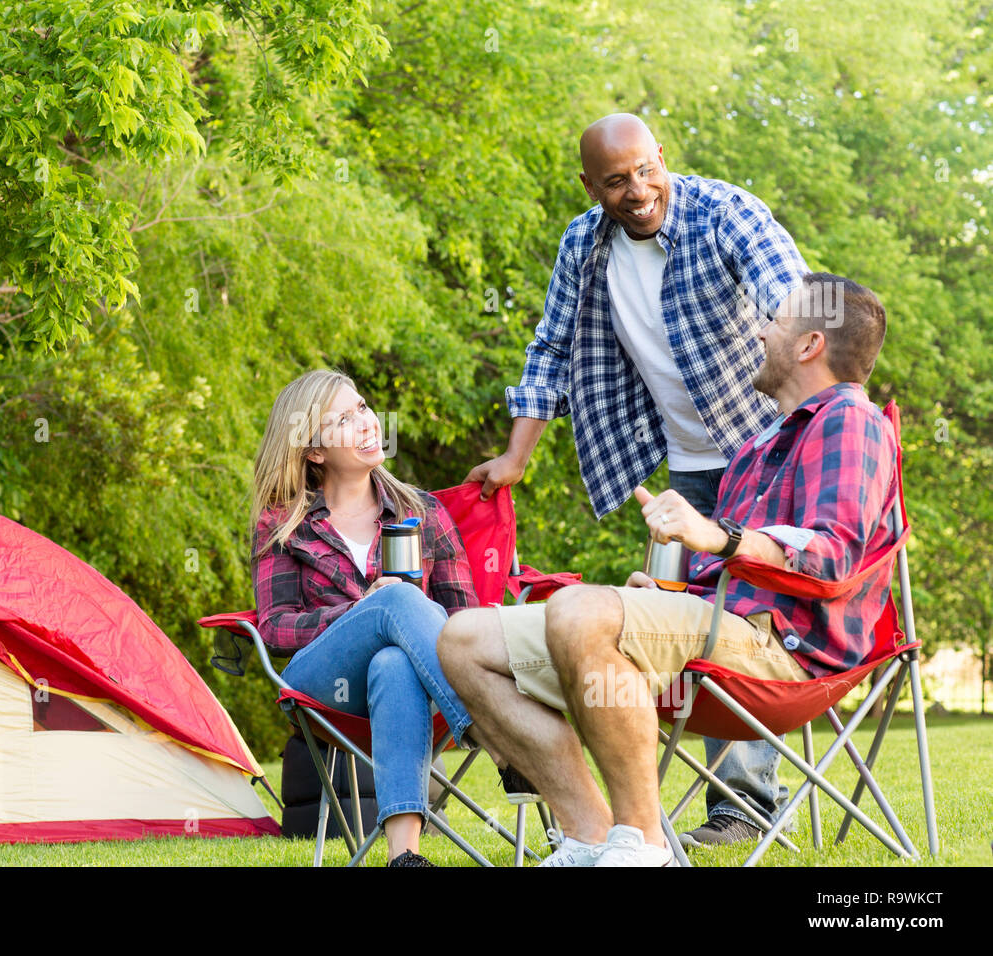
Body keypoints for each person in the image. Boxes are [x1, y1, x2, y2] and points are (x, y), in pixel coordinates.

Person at [441, 273, 897, 865]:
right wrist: (662, 589)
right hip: (716, 626)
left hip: (781, 649)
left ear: (810, 345)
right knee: (463, 638)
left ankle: (644, 843)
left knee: (580, 611)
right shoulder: (757, 450)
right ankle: (589, 836)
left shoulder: (850, 422)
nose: (758, 332)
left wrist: (716, 535)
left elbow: (833, 552)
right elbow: (724, 567)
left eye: (775, 322)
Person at [467, 112, 810, 845]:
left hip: (761, 450)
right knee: (680, 619)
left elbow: (794, 302)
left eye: (646, 170)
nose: (638, 190)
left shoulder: (725, 212)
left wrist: (821, 418)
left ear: (663, 158)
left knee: (736, 620)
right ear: (590, 186)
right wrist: (515, 459)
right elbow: (552, 349)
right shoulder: (582, 245)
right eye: (617, 181)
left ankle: (744, 808)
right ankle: (640, 816)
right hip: (684, 466)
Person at [251, 369, 478, 867]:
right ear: (313, 450)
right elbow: (275, 628)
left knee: (395, 663)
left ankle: (405, 857)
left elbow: (467, 623)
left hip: (413, 683)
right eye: (343, 419)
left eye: (363, 408)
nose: (366, 422)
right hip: (323, 683)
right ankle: (495, 732)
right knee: (392, 601)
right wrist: (362, 611)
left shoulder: (424, 512)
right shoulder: (284, 522)